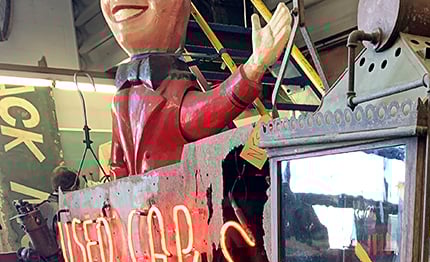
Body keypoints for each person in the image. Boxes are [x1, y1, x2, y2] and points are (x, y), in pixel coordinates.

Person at [100, 0, 292, 177]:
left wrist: (254, 67)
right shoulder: (122, 97)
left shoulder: (167, 89)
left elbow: (201, 114)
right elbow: (118, 161)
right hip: (155, 203)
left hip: (178, 198)